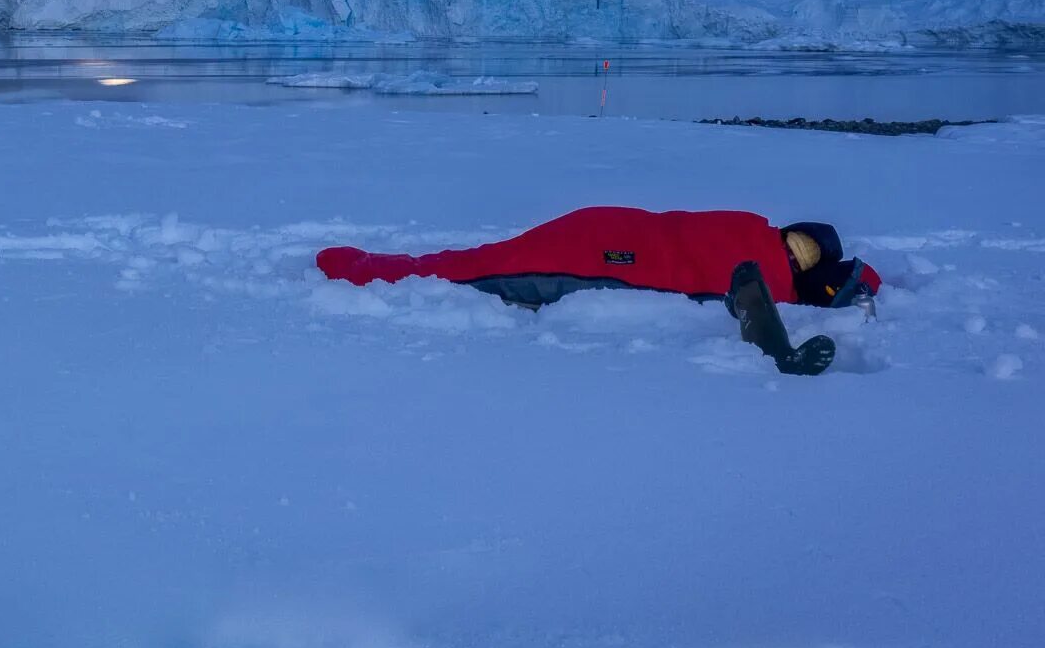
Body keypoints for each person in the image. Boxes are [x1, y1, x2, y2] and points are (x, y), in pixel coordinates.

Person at [315, 207, 881, 376]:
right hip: (609, 244)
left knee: (484, 263)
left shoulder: (773, 276)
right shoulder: (752, 236)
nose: (797, 253)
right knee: (474, 269)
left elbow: (856, 280)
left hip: (611, 240)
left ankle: (367, 266)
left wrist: (853, 283)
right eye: (798, 243)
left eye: (807, 257)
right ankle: (365, 270)